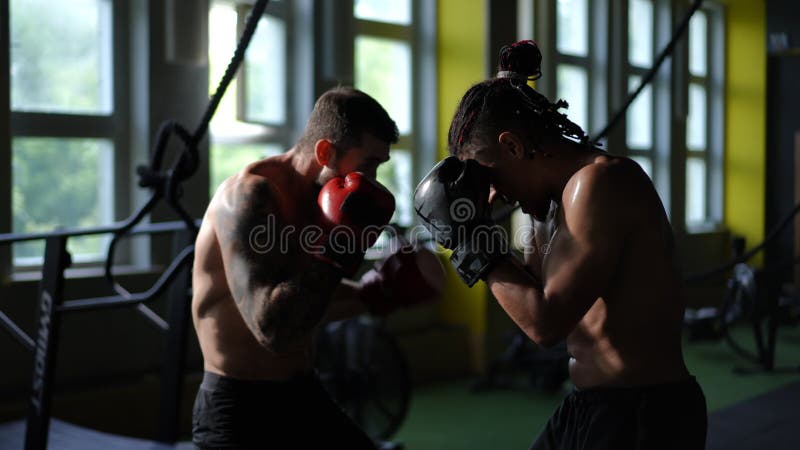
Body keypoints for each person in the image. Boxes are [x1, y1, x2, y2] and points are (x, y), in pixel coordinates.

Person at [414, 40, 707, 450]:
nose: (496, 194)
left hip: (643, 414)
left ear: (513, 146)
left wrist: (469, 237)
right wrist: (516, 216)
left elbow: (545, 324)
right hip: (593, 405)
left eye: (492, 177)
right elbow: (534, 289)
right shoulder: (554, 204)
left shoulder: (600, 184)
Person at [191, 86, 444, 449]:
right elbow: (272, 330)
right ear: (325, 151)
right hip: (240, 407)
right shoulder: (249, 198)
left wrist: (377, 295)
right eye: (367, 164)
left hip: (302, 392)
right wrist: (339, 247)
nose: (370, 180)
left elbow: (301, 292)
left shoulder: (320, 204)